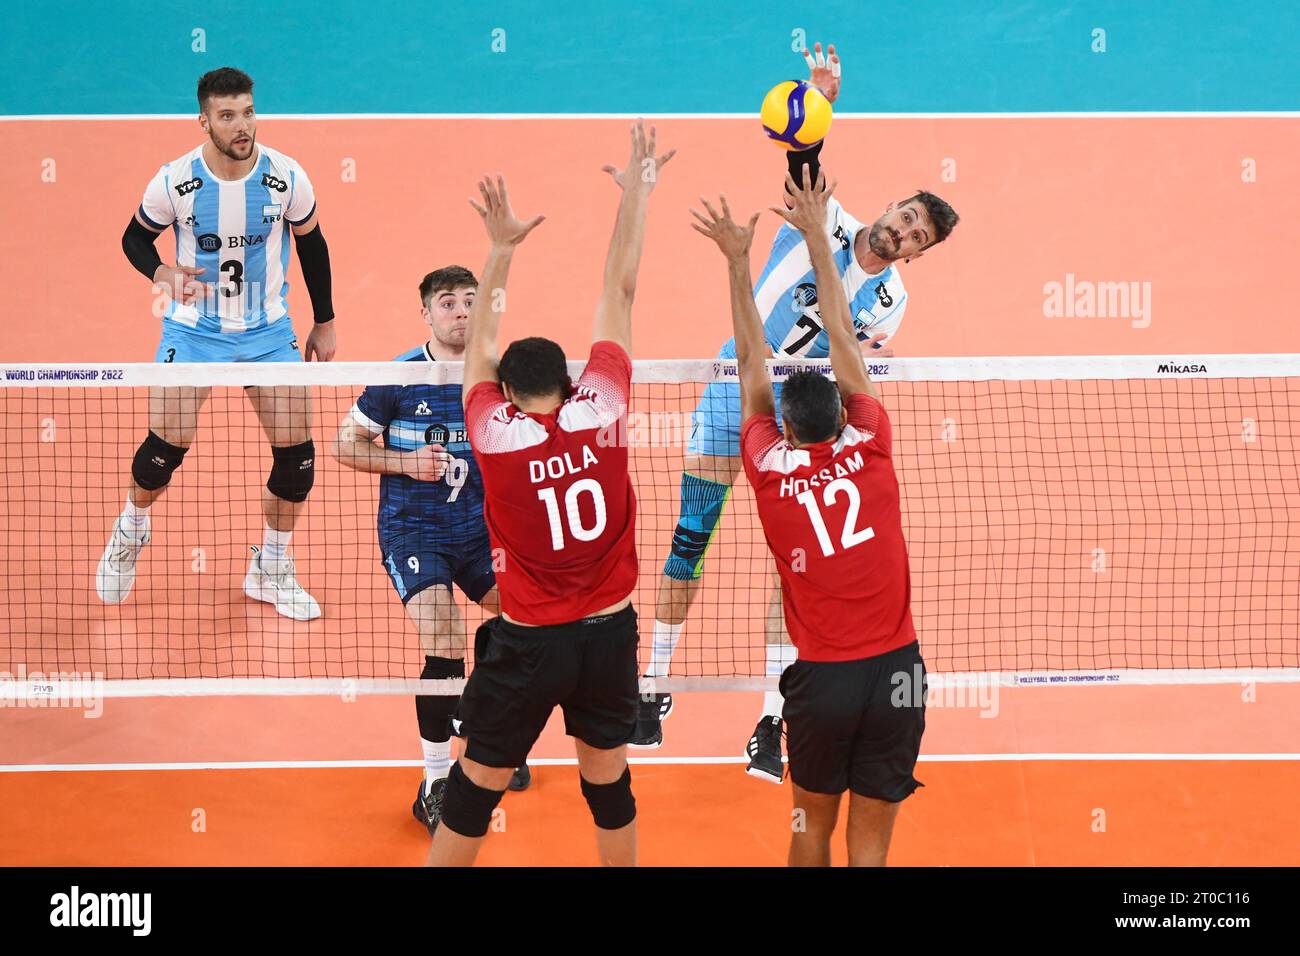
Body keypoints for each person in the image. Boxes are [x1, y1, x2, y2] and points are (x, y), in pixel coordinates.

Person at [638, 43, 956, 780]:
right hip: (736, 380)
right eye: (906, 215)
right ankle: (654, 686)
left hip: (808, 411)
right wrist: (822, 102)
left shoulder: (892, 303)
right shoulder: (829, 218)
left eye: (916, 236)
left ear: (918, 253)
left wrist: (833, 438)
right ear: (889, 206)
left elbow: (855, 369)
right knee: (692, 533)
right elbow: (804, 156)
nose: (902, 231)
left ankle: (772, 721)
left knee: (799, 566)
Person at [427, 122, 674, 867]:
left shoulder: (494, 434)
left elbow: (477, 348)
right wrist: (637, 194)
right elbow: (620, 289)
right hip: (608, 638)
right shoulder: (601, 408)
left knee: (476, 784)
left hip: (529, 644)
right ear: (569, 384)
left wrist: (500, 249)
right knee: (608, 780)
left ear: (505, 394)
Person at [689, 165, 925, 865]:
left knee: (810, 830)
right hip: (897, 676)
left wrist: (737, 261)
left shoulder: (770, 470)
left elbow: (753, 366)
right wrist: (826, 246)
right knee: (872, 842)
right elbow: (846, 348)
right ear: (850, 419)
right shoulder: (874, 449)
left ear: (785, 433)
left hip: (821, 682)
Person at [96, 66, 337, 621]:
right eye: (228, 116)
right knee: (162, 453)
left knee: (298, 460)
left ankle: (270, 568)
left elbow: (312, 243)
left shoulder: (286, 176)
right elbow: (134, 236)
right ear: (204, 120)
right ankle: (130, 529)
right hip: (193, 330)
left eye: (248, 112)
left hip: (268, 332)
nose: (242, 125)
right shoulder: (176, 180)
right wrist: (159, 270)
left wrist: (324, 320)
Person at [330, 267, 529, 837]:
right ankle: (435, 782)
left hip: (482, 534)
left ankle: (485, 726)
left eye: (470, 301)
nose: (461, 312)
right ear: (427, 313)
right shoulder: (399, 378)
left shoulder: (493, 377)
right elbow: (345, 442)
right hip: (414, 533)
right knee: (444, 642)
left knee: (524, 618)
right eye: (448, 303)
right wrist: (403, 462)